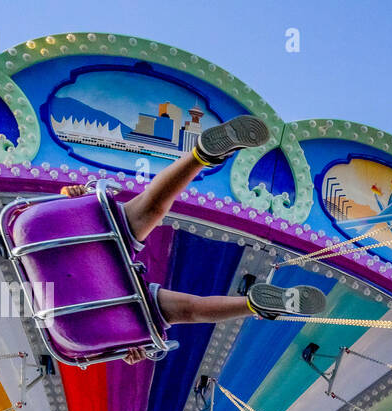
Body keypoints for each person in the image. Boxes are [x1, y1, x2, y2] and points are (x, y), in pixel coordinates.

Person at [54, 115, 326, 364]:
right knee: (152, 207)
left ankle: (252, 306)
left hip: (88, 288)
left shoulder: (45, 302)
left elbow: (76, 341)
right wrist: (126, 348)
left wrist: (70, 200)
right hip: (95, 289)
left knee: (191, 309)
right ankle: (200, 155)